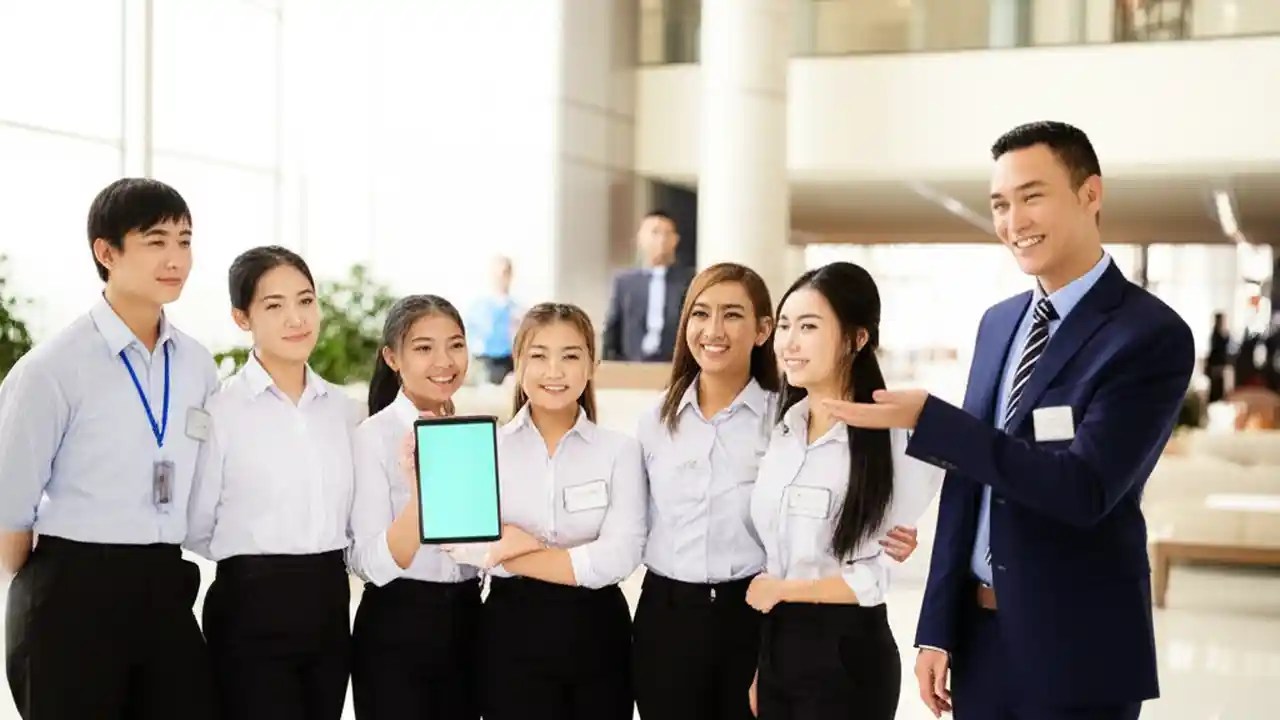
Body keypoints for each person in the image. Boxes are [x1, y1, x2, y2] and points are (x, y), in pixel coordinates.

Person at [822, 121, 1195, 720]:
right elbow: (967, 482)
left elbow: (1084, 489)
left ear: (1090, 194)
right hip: (981, 641)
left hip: (1079, 650)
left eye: (1032, 196)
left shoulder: (1149, 335)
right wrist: (938, 626)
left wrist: (933, 421)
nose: (1013, 221)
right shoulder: (999, 323)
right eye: (1000, 204)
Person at [632, 262, 919, 720]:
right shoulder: (662, 422)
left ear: (760, 330)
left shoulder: (779, 419)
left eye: (732, 314)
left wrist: (891, 537)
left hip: (760, 612)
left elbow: (874, 547)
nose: (713, 330)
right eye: (700, 313)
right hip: (679, 616)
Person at [0, 178, 219, 719]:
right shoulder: (52, 367)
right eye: (156, 241)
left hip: (166, 589)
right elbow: (9, 503)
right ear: (106, 252)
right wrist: (57, 584)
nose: (176, 258)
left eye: (185, 240)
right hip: (70, 595)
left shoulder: (196, 364)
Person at [744, 261, 943, 720]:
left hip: (847, 653)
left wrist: (785, 592)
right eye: (786, 325)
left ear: (857, 339)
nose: (789, 343)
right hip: (778, 645)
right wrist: (765, 662)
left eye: (809, 326)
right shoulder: (784, 430)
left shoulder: (896, 440)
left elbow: (875, 576)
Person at [186, 246, 356, 720]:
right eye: (274, 305)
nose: (296, 318)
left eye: (305, 301)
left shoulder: (344, 411)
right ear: (243, 318)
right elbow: (197, 522)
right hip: (249, 608)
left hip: (328, 603)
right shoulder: (219, 411)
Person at [458, 303, 646, 720]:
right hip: (511, 634)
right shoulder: (489, 449)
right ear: (518, 363)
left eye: (571, 356)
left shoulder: (620, 451)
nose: (554, 371)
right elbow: (467, 547)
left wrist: (518, 549)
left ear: (592, 365)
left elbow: (619, 557)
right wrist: (501, 551)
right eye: (539, 356)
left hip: (598, 635)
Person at [347, 295, 482, 720]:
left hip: (469, 622)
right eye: (424, 348)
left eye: (455, 344)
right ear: (392, 357)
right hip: (398, 627)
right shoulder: (374, 437)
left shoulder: (473, 434)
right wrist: (422, 495)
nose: (444, 360)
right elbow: (368, 563)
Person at [603, 210, 696, 362]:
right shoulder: (625, 282)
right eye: (655, 233)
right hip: (633, 365)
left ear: (675, 240)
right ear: (640, 238)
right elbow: (613, 329)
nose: (661, 239)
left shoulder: (688, 281)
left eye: (667, 233)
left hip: (673, 365)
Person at [466, 256, 521, 384]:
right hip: (484, 362)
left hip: (507, 363)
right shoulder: (479, 308)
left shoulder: (517, 310)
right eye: (497, 274)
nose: (500, 278)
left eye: (504, 273)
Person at [1206, 311, 1230, 403]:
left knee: (1218, 386)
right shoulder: (1216, 334)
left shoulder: (1218, 334)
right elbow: (1218, 349)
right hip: (1216, 365)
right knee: (1216, 387)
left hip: (1218, 364)